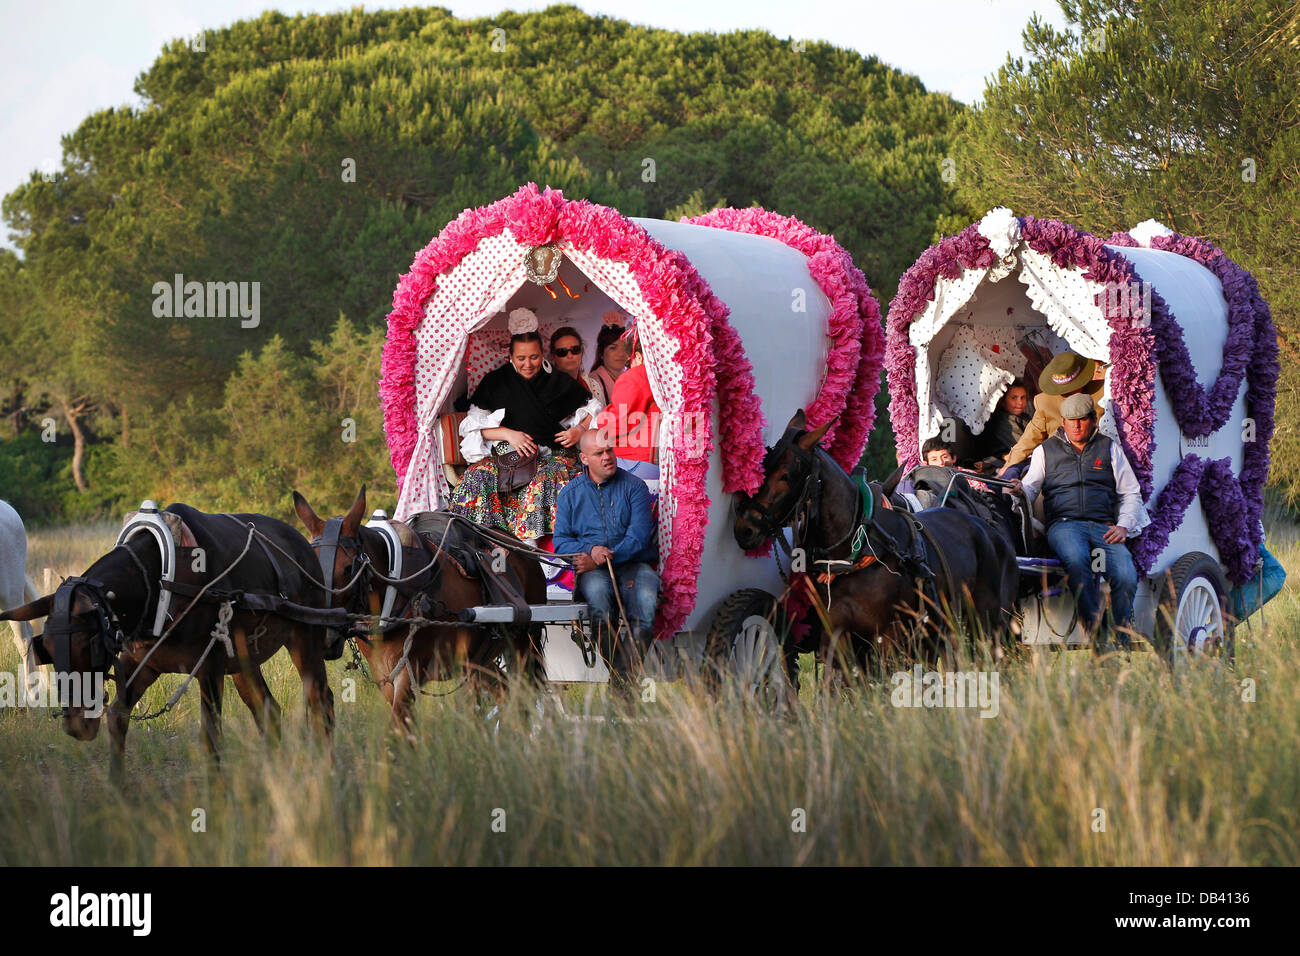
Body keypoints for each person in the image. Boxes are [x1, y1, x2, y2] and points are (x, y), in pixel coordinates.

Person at [1010, 392, 1150, 645]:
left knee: (1126, 574)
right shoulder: (1045, 450)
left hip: (1104, 526)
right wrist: (1018, 490)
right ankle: (1097, 633)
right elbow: (1030, 487)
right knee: (1076, 560)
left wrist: (1123, 526)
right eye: (1070, 420)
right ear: (1062, 422)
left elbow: (1130, 492)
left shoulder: (1109, 448)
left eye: (1082, 420)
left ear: (1093, 420)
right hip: (1064, 524)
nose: (1076, 425)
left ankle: (1121, 637)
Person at [451, 308, 603, 541]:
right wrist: (506, 434)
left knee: (546, 480)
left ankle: (534, 553)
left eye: (533, 357)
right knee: (476, 477)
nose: (528, 364)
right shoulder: (495, 382)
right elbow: (471, 425)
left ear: (542, 354)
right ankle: (482, 548)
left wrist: (579, 430)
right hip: (507, 458)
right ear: (510, 356)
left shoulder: (558, 381)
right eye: (521, 358)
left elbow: (595, 409)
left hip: (552, 456)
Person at [553, 429, 660, 691]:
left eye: (609, 450)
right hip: (593, 571)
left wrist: (600, 558)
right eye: (599, 453)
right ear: (584, 459)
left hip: (633, 564)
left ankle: (621, 680)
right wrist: (591, 550)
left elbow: (638, 538)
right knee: (599, 601)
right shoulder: (570, 493)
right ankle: (621, 678)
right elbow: (561, 541)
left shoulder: (635, 486)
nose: (607, 457)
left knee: (646, 600)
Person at [997, 352, 1107, 477]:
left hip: (1096, 458)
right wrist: (1009, 464)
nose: (1067, 393)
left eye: (1072, 388)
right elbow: (1030, 437)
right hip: (1058, 463)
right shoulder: (1045, 401)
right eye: (1064, 390)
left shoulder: (1102, 393)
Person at [594, 330, 661, 479]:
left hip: (635, 458)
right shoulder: (670, 374)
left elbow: (620, 420)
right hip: (662, 458)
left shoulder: (637, 374)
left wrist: (599, 420)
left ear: (638, 356)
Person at [550, 325, 606, 406]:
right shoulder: (549, 387)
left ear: (582, 352)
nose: (570, 356)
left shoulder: (592, 385)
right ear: (553, 356)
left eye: (575, 350)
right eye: (562, 352)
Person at [982, 378, 1031, 461]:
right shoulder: (1004, 420)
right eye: (1014, 398)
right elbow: (1024, 447)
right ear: (1003, 401)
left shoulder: (1025, 417)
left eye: (1022, 397)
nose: (1020, 402)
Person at [591, 312, 632, 401]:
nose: (621, 353)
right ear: (601, 353)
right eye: (613, 348)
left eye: (625, 347)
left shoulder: (631, 378)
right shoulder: (593, 383)